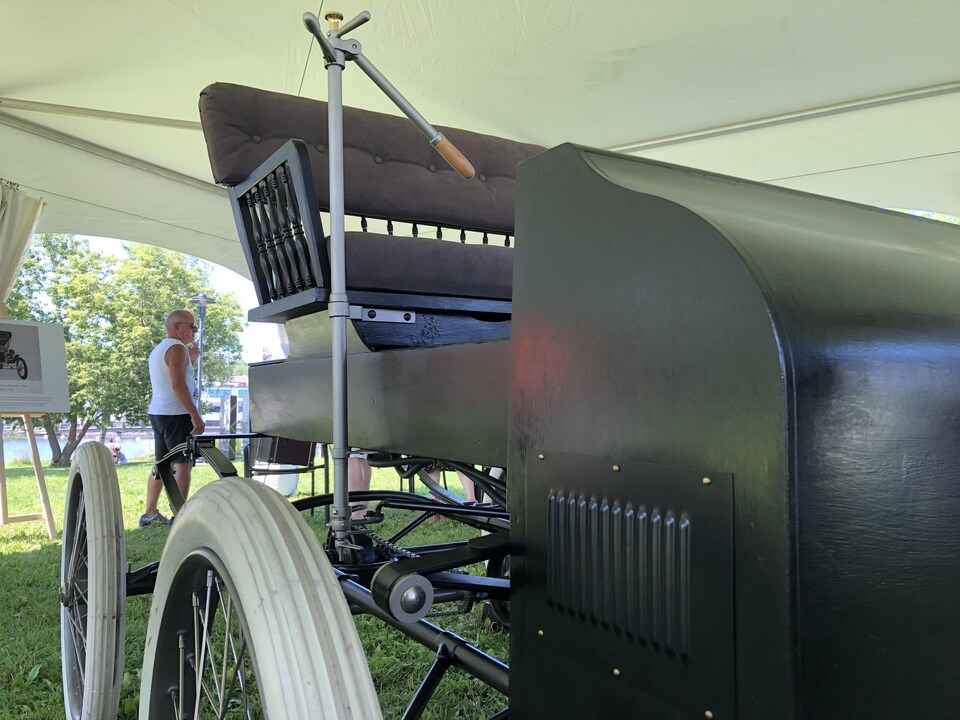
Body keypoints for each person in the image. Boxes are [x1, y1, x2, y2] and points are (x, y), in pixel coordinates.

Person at [139, 309, 205, 527]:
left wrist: (191, 360)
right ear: (177, 327)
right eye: (191, 325)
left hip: (159, 412)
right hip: (176, 414)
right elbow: (178, 386)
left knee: (162, 465)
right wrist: (195, 415)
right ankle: (179, 517)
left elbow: (172, 380)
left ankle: (149, 515)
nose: (195, 329)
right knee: (183, 465)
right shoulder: (177, 348)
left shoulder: (160, 349)